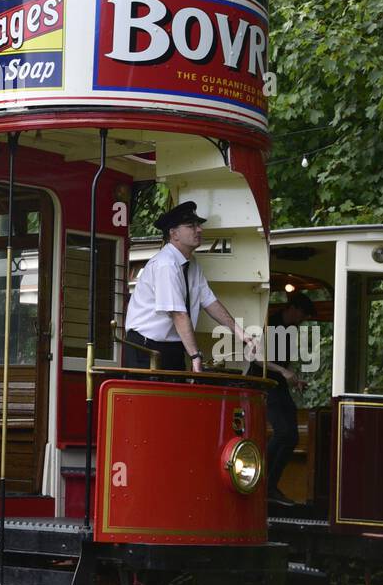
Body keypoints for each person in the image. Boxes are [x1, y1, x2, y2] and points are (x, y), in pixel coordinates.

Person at [124, 201, 261, 372]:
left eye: (198, 225)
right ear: (174, 234)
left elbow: (209, 301)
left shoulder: (192, 264)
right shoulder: (165, 264)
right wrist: (195, 356)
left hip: (171, 347)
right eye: (191, 226)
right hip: (146, 350)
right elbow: (178, 314)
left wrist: (240, 332)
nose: (199, 230)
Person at [260, 293, 311, 505]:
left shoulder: (290, 331)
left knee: (292, 437)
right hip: (265, 384)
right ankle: (260, 482)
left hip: (279, 386)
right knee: (282, 433)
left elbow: (283, 362)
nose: (303, 320)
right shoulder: (269, 324)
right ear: (294, 309)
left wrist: (293, 378)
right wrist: (283, 371)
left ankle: (270, 487)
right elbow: (255, 358)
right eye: (303, 315)